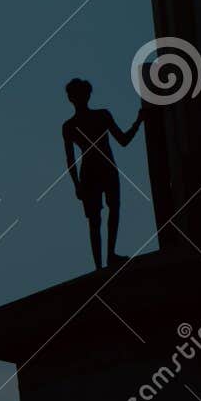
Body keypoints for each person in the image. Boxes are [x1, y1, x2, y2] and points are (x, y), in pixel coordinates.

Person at [62, 78, 142, 271]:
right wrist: (76, 184)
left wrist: (138, 122)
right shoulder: (72, 125)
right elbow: (70, 160)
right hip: (94, 172)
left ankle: (107, 258)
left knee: (107, 212)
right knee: (97, 218)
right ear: (73, 98)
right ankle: (101, 263)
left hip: (104, 170)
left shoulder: (97, 117)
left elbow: (122, 140)